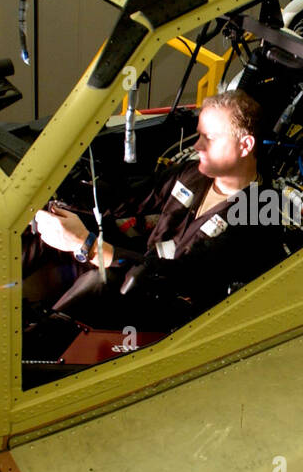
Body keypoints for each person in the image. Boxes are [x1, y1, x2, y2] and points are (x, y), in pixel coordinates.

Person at [23, 89, 281, 330]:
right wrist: (63, 188)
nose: (197, 146)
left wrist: (88, 246)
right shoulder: (194, 174)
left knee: (100, 281)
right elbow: (128, 199)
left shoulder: (260, 216)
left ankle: (36, 343)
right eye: (199, 135)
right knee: (52, 228)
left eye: (209, 139)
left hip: (172, 306)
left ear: (245, 145)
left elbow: (182, 278)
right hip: (141, 268)